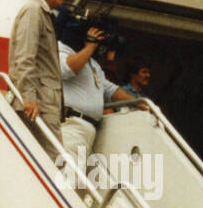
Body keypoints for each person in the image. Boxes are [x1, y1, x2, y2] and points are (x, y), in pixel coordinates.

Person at [58, 25, 143, 175]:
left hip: (88, 129)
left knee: (75, 178)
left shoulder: (93, 63)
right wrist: (90, 46)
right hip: (72, 123)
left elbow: (109, 89)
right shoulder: (63, 49)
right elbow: (66, 70)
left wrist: (139, 103)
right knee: (67, 178)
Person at [9, 0, 71, 139]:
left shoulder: (43, 14)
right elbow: (24, 57)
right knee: (53, 159)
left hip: (43, 104)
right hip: (38, 105)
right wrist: (29, 98)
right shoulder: (34, 11)